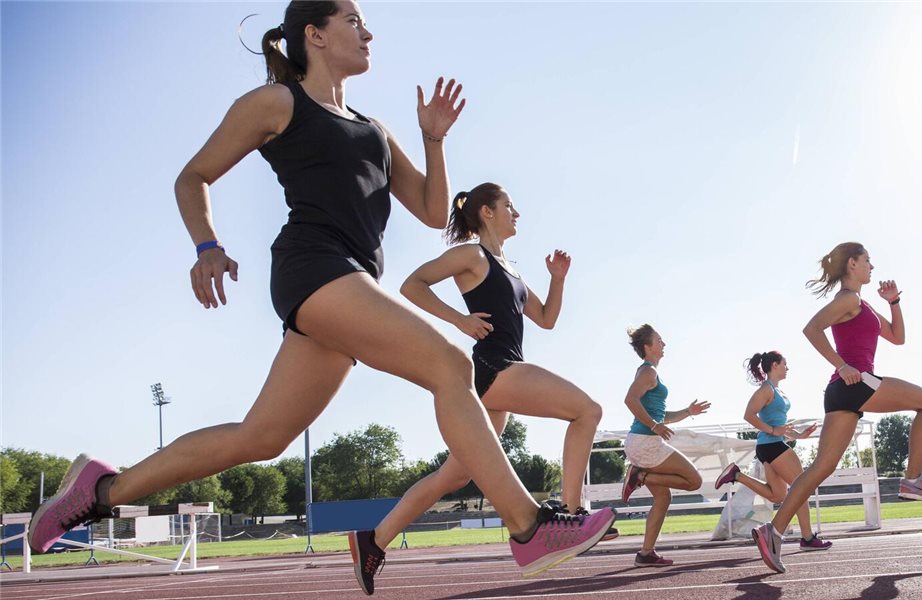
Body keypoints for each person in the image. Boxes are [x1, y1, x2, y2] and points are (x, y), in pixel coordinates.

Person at [26, 2, 614, 586]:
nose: (368, 32)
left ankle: (101, 489)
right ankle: (527, 526)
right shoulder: (279, 103)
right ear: (315, 34)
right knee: (449, 364)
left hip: (352, 279)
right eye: (354, 21)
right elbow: (193, 176)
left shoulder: (374, 129)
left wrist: (432, 140)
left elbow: (435, 210)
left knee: (261, 438)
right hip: (314, 267)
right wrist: (207, 246)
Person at [348, 183, 615, 594]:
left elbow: (545, 318)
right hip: (495, 367)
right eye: (509, 205)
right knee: (586, 410)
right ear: (487, 213)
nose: (517, 213)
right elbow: (412, 284)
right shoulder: (472, 256)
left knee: (450, 477)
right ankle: (572, 512)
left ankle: (374, 539)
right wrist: (459, 320)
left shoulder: (512, 270)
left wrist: (557, 279)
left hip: (503, 375)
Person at [753, 242, 922, 573]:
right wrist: (842, 364)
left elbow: (898, 338)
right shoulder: (848, 299)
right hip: (855, 383)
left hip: (842, 394)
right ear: (852, 264)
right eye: (867, 260)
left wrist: (895, 303)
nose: (873, 266)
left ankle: (772, 532)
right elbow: (811, 329)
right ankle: (913, 478)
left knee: (820, 468)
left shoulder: (865, 304)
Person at [713, 351, 830, 551]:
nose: (788, 368)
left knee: (777, 495)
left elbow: (778, 427)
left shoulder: (776, 391)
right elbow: (748, 415)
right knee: (802, 488)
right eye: (785, 364)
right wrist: (774, 430)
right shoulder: (766, 390)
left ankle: (737, 475)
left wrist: (799, 435)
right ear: (775, 365)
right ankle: (808, 538)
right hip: (772, 446)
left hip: (770, 446)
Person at [619, 325, 711, 567]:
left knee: (663, 498)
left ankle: (645, 553)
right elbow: (629, 400)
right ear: (647, 347)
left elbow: (662, 416)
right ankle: (641, 475)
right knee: (694, 481)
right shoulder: (648, 373)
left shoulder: (651, 375)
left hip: (642, 441)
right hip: (645, 442)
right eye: (659, 341)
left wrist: (687, 412)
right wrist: (653, 426)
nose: (664, 344)